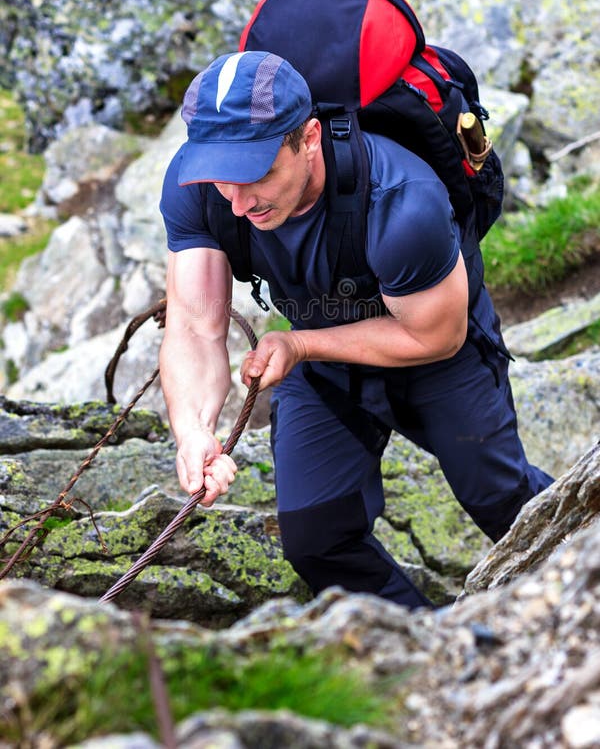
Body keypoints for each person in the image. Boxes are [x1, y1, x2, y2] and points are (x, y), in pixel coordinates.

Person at [159, 50, 552, 608]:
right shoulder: (198, 186)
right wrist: (195, 429)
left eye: (259, 174)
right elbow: (196, 326)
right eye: (223, 181)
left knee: (500, 498)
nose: (240, 203)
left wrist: (300, 344)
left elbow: (436, 337)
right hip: (323, 367)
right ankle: (425, 657)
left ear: (310, 138)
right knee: (317, 539)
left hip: (436, 354)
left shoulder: (400, 200)